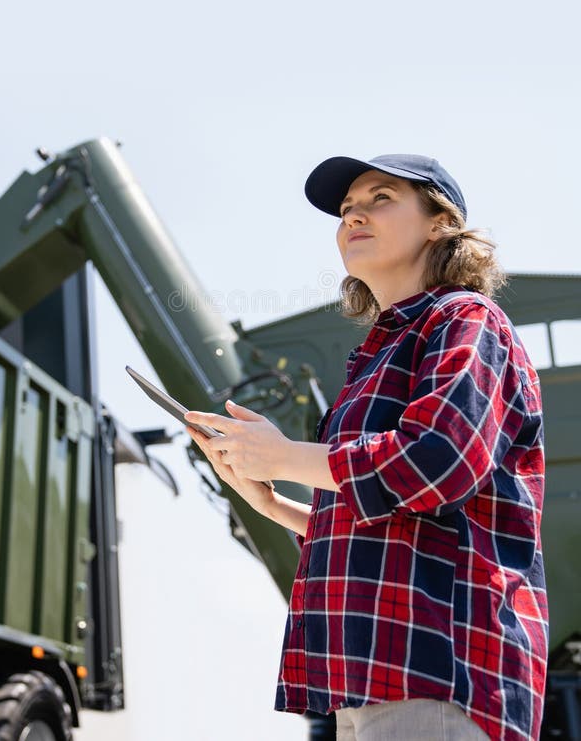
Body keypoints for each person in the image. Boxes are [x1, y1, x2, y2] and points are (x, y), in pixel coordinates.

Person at [185, 153, 548, 741]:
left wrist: (280, 455)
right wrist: (276, 504)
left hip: (439, 667)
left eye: (380, 199)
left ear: (439, 223)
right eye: (346, 209)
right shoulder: (380, 353)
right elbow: (398, 518)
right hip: (371, 674)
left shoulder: (465, 320)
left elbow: (434, 462)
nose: (353, 216)